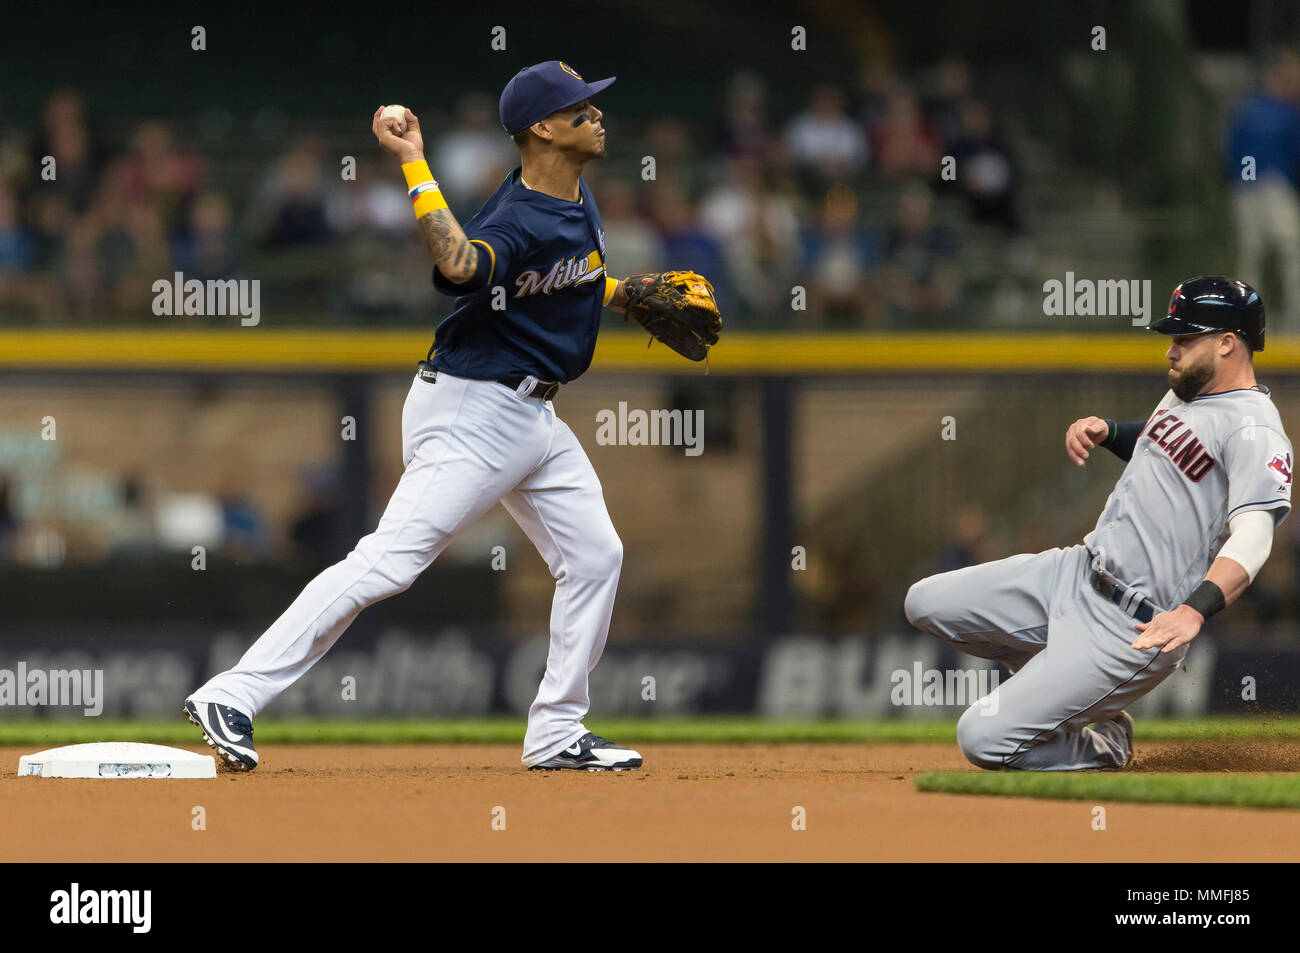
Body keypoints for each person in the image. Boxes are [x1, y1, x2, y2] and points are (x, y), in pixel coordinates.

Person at [184, 61, 655, 773]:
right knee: (390, 562)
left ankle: (558, 729)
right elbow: (464, 264)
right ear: (543, 129)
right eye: (581, 109)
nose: (597, 115)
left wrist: (620, 294)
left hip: (533, 418)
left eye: (593, 105)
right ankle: (233, 693)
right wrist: (413, 162)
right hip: (473, 408)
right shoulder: (522, 212)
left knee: (596, 555)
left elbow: (555, 275)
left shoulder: (573, 195)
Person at [906, 277, 1291, 770]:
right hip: (1073, 572)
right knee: (924, 602)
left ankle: (1105, 745)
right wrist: (1110, 432)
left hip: (1130, 624)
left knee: (982, 738)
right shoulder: (1189, 393)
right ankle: (1071, 692)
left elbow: (1256, 538)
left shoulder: (1255, 429)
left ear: (1227, 343)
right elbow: (1162, 444)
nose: (1170, 350)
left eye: (1183, 338)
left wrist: (1193, 612)